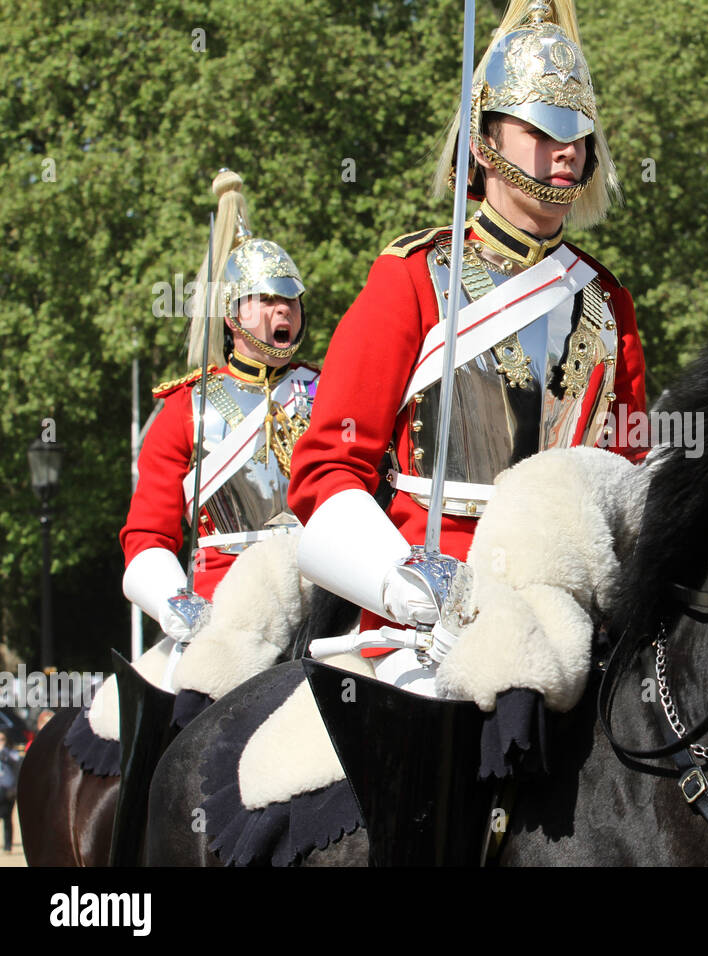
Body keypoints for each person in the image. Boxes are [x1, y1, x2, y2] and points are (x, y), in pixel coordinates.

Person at [290, 0, 648, 694]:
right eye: (541, 129)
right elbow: (329, 465)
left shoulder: (606, 300)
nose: (566, 149)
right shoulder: (413, 276)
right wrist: (407, 586)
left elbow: (625, 477)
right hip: (424, 615)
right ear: (485, 145)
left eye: (577, 132)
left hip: (568, 611)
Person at [121, 170, 319, 644]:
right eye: (267, 299)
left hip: (323, 601)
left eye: (290, 300)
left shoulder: (326, 391)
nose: (283, 312)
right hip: (223, 615)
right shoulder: (186, 409)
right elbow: (148, 536)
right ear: (232, 315)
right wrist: (179, 607)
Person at [0, 731, 20, 853]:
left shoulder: (11, 753)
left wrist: (3, 751)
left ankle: (8, 846)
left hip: (7, 789)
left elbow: (16, 762)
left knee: (7, 819)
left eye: (2, 739)